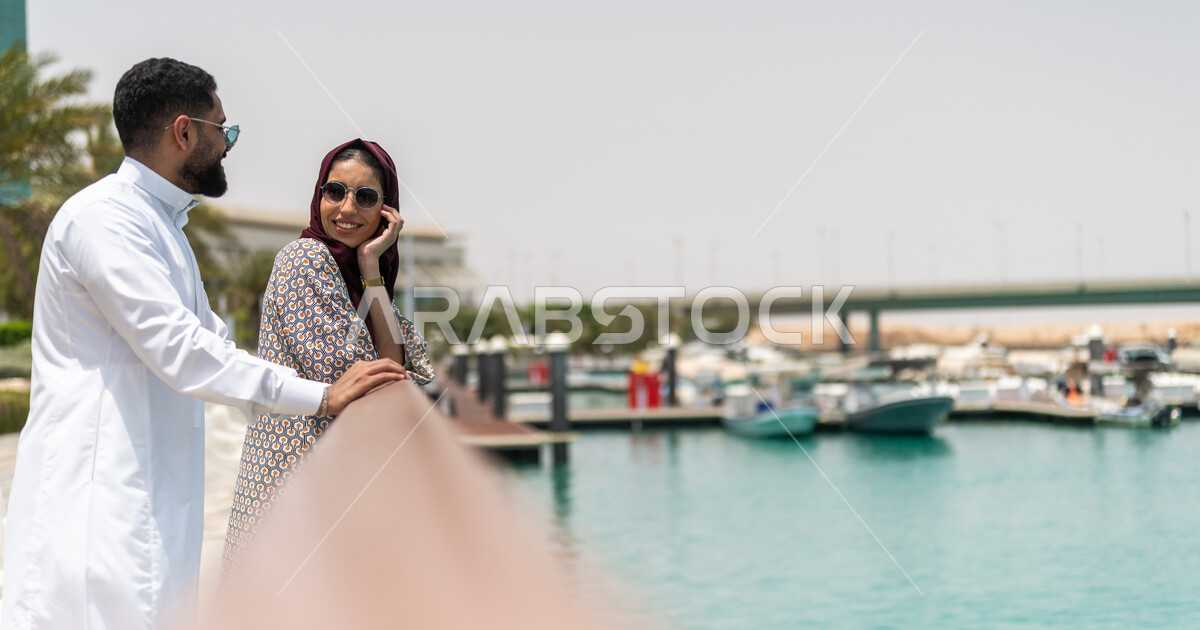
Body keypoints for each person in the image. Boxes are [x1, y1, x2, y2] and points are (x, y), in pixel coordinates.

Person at [0, 60, 408, 630]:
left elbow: (216, 343)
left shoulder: (162, 228)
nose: (229, 146)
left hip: (148, 509)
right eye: (226, 131)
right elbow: (183, 349)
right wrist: (321, 398)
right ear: (185, 132)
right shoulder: (104, 220)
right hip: (95, 516)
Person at [221, 139, 435, 570]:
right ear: (319, 195)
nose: (347, 208)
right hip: (293, 483)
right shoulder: (305, 259)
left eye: (366, 196)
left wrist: (371, 265)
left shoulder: (352, 271)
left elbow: (388, 362)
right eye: (334, 191)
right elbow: (364, 375)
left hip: (321, 482)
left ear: (386, 211)